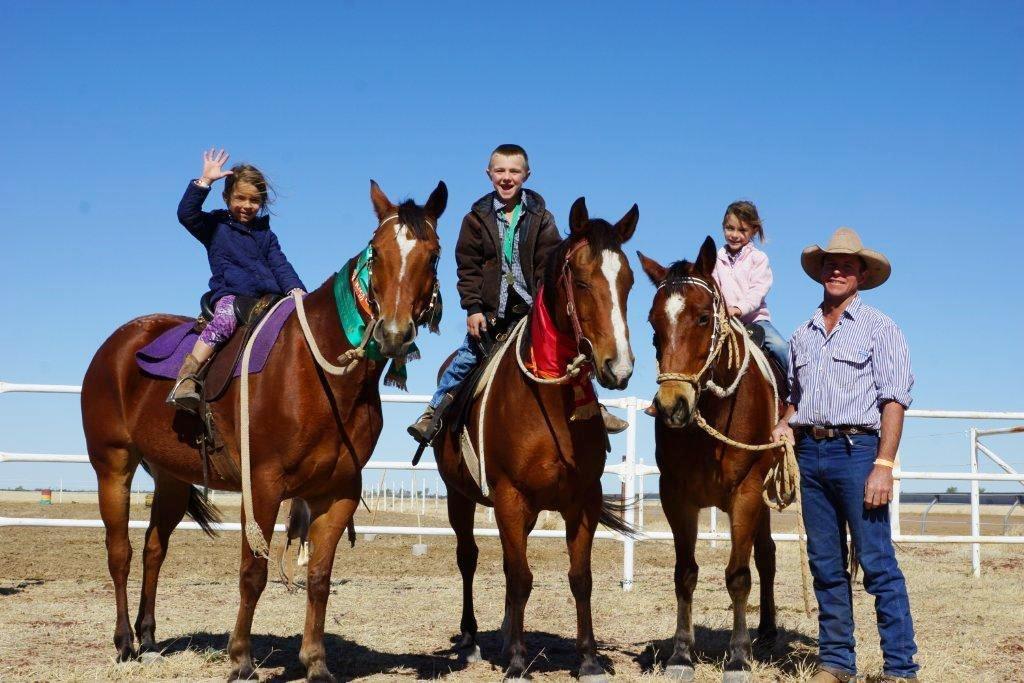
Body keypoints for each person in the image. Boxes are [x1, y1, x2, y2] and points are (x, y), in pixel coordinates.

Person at [771, 228, 919, 683]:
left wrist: (884, 465)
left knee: (877, 563)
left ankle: (900, 668)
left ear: (862, 275)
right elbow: (797, 398)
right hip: (810, 454)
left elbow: (894, 401)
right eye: (831, 264)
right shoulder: (802, 334)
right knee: (826, 565)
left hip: (859, 454)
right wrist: (784, 423)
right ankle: (836, 662)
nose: (837, 271)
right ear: (820, 272)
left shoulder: (880, 328)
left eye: (847, 266)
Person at [407, 144, 628, 443]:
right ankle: (434, 411)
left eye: (514, 171)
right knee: (466, 358)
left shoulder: (542, 217)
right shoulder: (475, 220)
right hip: (490, 312)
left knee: (569, 356)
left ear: (526, 175)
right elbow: (467, 267)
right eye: (500, 170)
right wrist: (473, 308)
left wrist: (545, 305)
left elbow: (549, 262)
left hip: (531, 309)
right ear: (489, 174)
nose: (506, 177)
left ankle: (594, 405)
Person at [168, 148, 306, 412]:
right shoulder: (215, 226)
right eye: (240, 198)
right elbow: (186, 214)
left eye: (254, 200)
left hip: (268, 299)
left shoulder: (266, 235)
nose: (246, 205)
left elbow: (280, 265)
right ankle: (188, 375)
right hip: (231, 296)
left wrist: (296, 289)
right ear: (226, 197)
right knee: (225, 321)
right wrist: (205, 181)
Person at [712, 200, 789, 371]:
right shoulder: (717, 259)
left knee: (781, 348)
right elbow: (714, 288)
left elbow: (757, 291)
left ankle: (795, 384)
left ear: (753, 230)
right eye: (730, 228)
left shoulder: (758, 259)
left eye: (742, 230)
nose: (734, 235)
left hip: (756, 320)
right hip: (724, 320)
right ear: (723, 227)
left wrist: (738, 309)